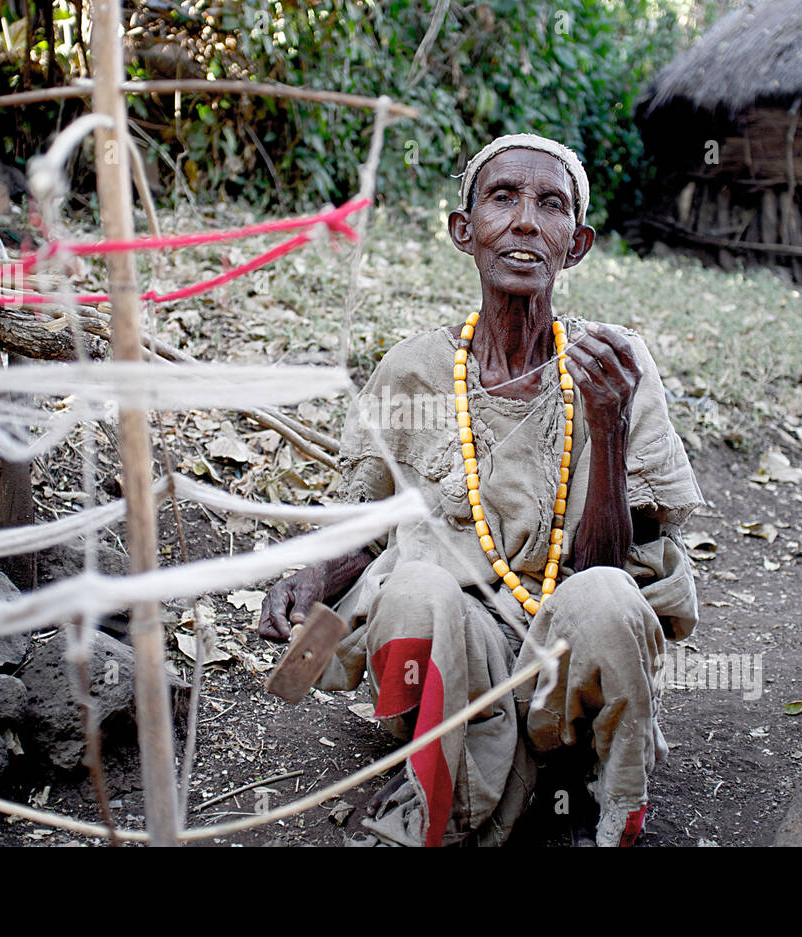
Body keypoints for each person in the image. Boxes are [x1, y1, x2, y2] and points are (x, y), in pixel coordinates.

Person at [259, 134, 703, 847]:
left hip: (570, 663)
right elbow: (373, 527)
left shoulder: (615, 368)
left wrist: (609, 427)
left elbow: (604, 568)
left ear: (577, 242)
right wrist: (310, 574)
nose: (526, 221)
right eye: (503, 197)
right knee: (413, 585)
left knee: (609, 601)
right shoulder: (415, 372)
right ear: (464, 232)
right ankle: (452, 783)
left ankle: (604, 794)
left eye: (550, 205)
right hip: (456, 657)